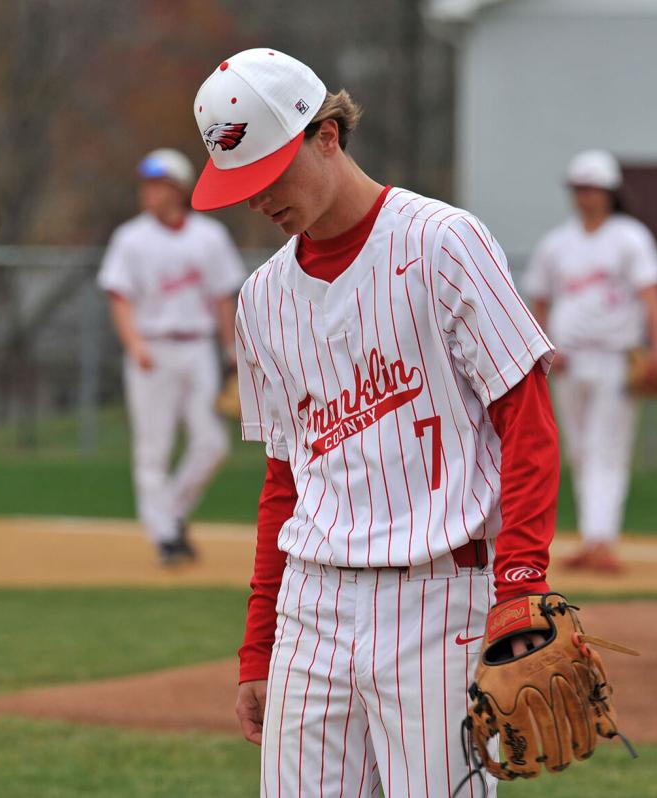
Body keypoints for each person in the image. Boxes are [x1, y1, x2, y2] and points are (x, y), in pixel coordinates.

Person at [191, 49, 560, 795]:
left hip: (439, 599)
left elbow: (527, 424)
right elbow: (283, 480)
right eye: (241, 183)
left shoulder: (443, 242)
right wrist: (259, 645)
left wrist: (521, 584)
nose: (256, 199)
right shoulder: (261, 299)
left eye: (269, 173)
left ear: (326, 134)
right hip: (310, 604)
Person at [523, 150, 657, 574]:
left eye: (593, 188)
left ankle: (601, 541)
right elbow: (539, 301)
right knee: (580, 451)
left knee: (607, 449)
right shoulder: (557, 243)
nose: (585, 196)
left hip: (615, 358)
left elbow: (654, 299)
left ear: (610, 192)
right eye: (579, 188)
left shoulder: (630, 237)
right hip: (569, 361)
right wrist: (546, 349)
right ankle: (593, 539)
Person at [99, 148, 245, 566]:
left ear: (180, 189)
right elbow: (119, 297)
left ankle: (172, 514)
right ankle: (164, 536)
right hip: (152, 347)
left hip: (198, 347)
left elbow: (222, 298)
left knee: (212, 443)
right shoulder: (130, 238)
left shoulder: (209, 236)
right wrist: (134, 344)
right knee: (154, 448)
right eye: (146, 185)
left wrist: (231, 351)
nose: (149, 192)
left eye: (158, 185)